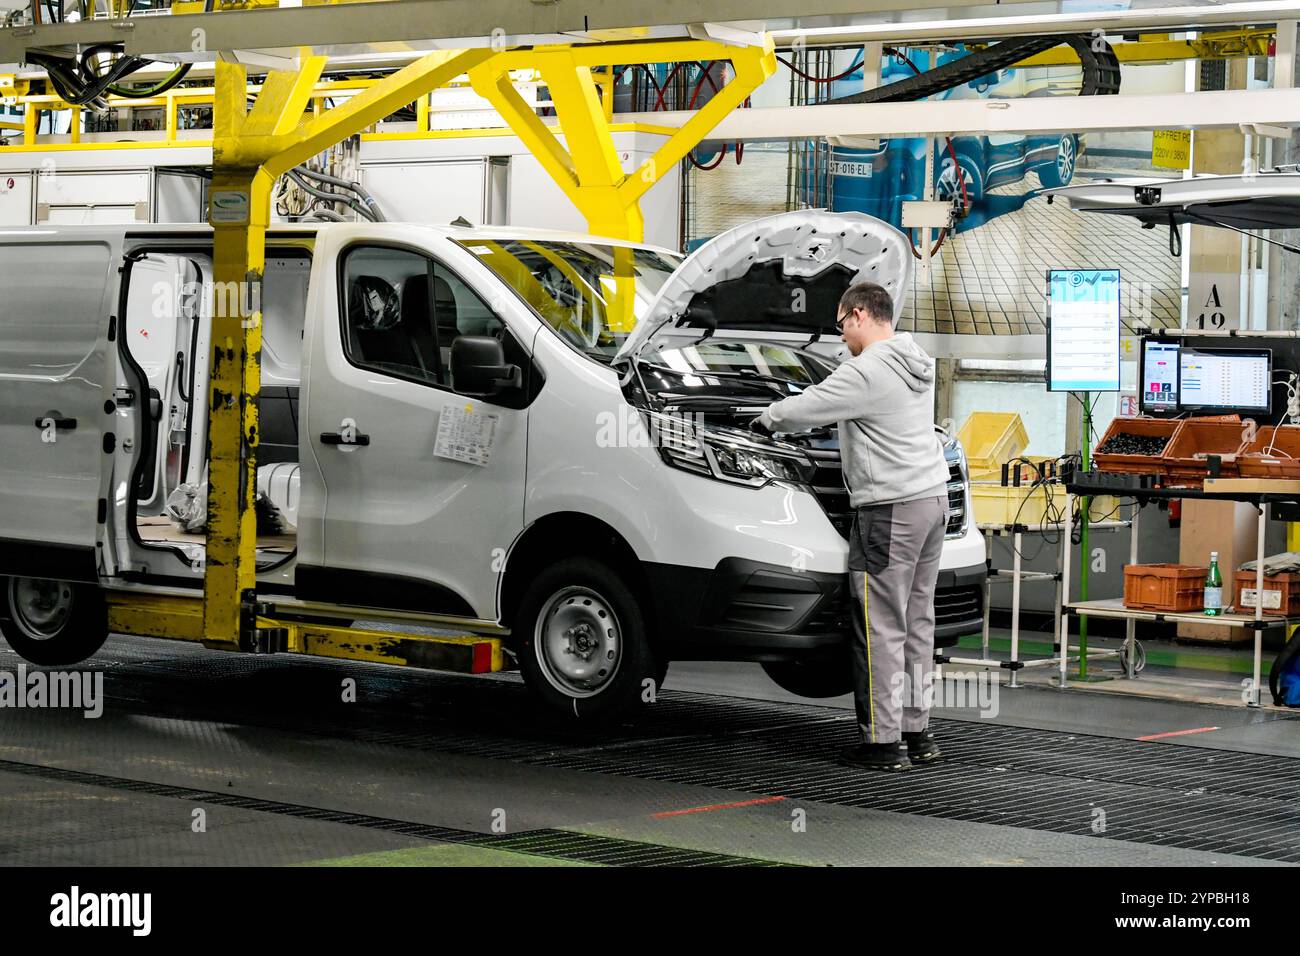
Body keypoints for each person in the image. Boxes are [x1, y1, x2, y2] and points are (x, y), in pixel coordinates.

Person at [752, 282, 950, 772]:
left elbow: (807, 407)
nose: (842, 339)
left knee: (880, 626)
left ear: (859, 314)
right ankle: (916, 733)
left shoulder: (867, 371)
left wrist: (764, 419)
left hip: (891, 511)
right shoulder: (914, 360)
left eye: (842, 326)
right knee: (916, 622)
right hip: (932, 502)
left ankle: (883, 745)